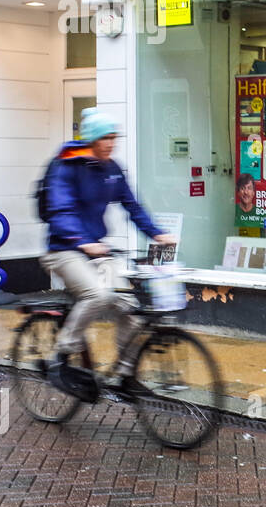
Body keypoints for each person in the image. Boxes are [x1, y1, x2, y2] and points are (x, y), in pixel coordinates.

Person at [41, 108, 175, 398]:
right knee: (98, 295)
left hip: (96, 253)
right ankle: (61, 356)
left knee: (131, 311)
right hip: (65, 250)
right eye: (105, 138)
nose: (111, 143)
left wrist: (157, 233)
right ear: (91, 139)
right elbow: (59, 209)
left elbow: (132, 206)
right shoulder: (68, 165)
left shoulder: (111, 169)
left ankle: (126, 376)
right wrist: (82, 241)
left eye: (114, 137)